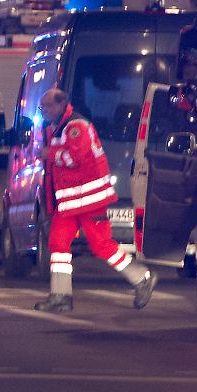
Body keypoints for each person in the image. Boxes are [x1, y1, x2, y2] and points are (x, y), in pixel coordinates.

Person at [33, 87, 157, 313]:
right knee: (58, 243)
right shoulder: (59, 128)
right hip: (70, 203)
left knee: (101, 245)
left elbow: (75, 158)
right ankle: (60, 296)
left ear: (60, 105)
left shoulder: (76, 127)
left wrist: (50, 154)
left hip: (89, 201)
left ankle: (142, 278)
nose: (44, 112)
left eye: (46, 107)